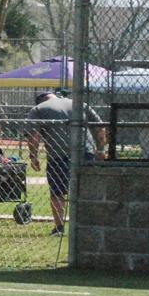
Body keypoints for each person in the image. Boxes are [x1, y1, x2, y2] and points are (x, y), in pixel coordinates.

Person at [26, 89, 106, 237]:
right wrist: (100, 150)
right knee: (86, 191)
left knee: (57, 192)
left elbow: (34, 135)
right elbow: (100, 128)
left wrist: (33, 157)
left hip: (58, 156)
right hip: (85, 153)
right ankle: (88, 226)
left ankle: (59, 228)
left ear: (40, 100)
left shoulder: (37, 109)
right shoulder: (80, 104)